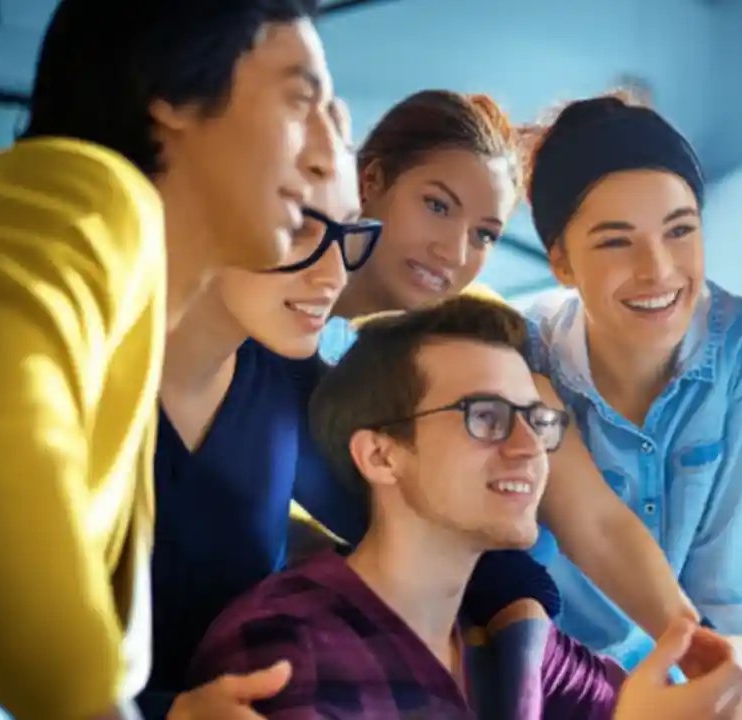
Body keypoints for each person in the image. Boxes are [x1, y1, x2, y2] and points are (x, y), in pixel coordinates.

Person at [0, 0, 334, 716]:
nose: (325, 152)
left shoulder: (128, 308)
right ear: (171, 97)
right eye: (300, 100)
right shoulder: (90, 195)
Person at [190, 296, 742, 719]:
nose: (528, 450)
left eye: (537, 422)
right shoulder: (283, 650)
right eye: (484, 417)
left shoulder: (516, 646)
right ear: (381, 456)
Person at [306, 90, 717, 674]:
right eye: (437, 206)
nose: (453, 251)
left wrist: (694, 646)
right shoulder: (275, 314)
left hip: (509, 651)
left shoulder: (483, 333)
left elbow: (594, 520)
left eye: (485, 235)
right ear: (370, 180)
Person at [520, 95, 742, 679]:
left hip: (694, 683)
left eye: (680, 230)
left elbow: (733, 611)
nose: (658, 269)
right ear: (561, 262)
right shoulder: (519, 358)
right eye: (616, 241)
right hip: (555, 684)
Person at [137, 99, 374, 718]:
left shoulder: (288, 387)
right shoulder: (66, 380)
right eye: (300, 226)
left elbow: (415, 522)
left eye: (348, 234)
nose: (334, 275)